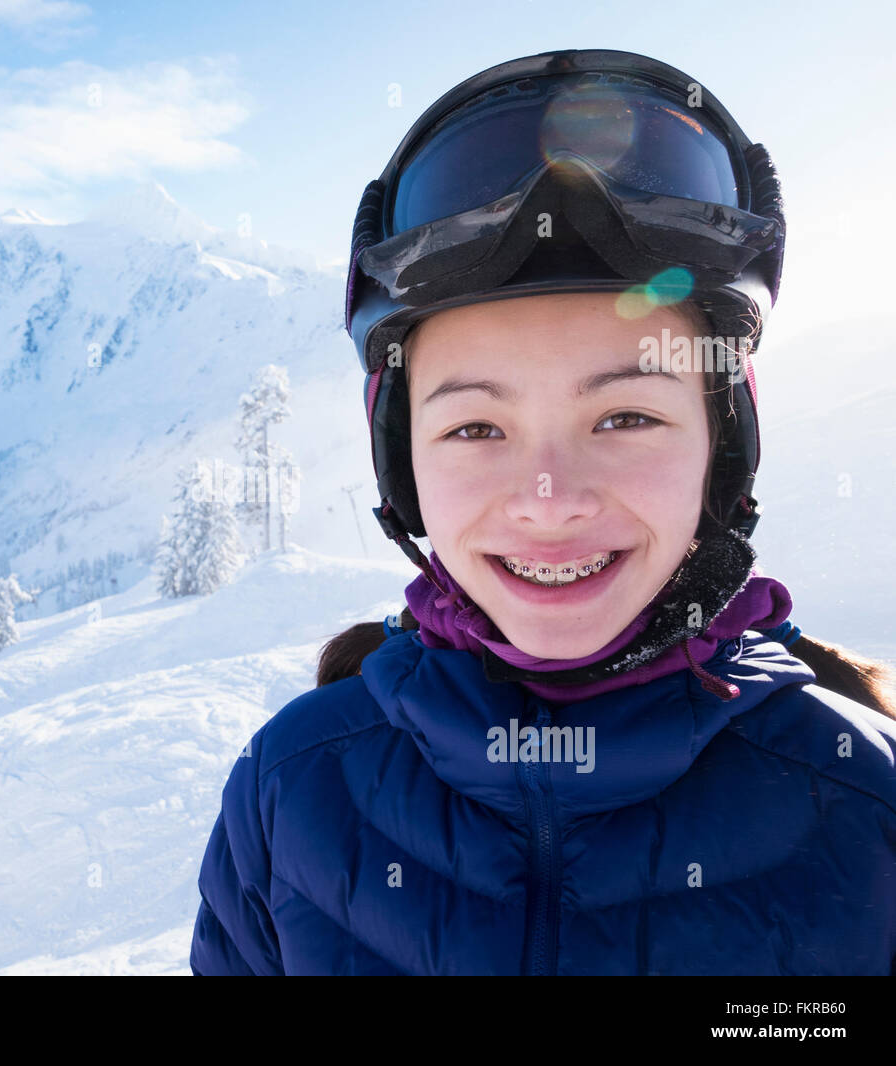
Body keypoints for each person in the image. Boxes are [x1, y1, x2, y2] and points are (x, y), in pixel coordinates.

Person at [190, 48, 896, 977]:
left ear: (719, 450)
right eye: (477, 427)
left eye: (627, 416)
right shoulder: (287, 798)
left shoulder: (866, 802)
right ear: (403, 469)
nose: (549, 501)